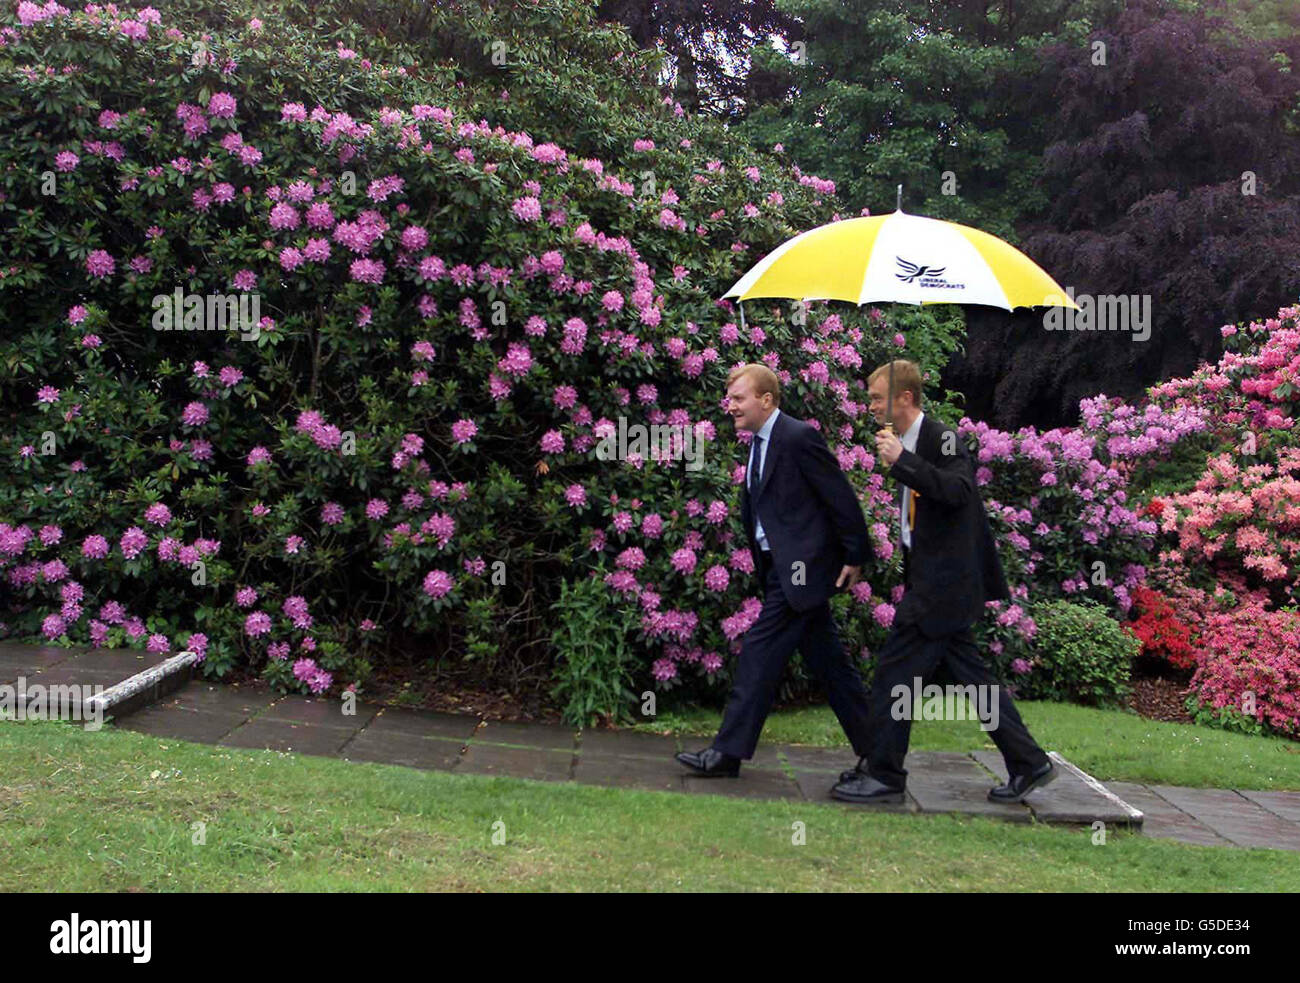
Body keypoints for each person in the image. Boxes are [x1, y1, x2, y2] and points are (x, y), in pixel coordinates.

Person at [830, 360, 1055, 804]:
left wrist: (904, 462)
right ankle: (1029, 762)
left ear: (905, 398)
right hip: (932, 585)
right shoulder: (903, 442)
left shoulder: (941, 439)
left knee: (895, 675)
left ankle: (885, 775)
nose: (870, 405)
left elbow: (958, 492)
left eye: (877, 397)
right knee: (974, 679)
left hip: (943, 587)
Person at [676, 363, 874, 778]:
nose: (730, 406)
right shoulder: (757, 443)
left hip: (799, 573)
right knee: (831, 665)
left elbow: (840, 497)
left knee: (758, 655)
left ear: (766, 400)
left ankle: (726, 754)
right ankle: (879, 753)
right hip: (779, 573)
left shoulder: (798, 437)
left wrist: (855, 555)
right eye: (729, 398)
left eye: (738, 398)